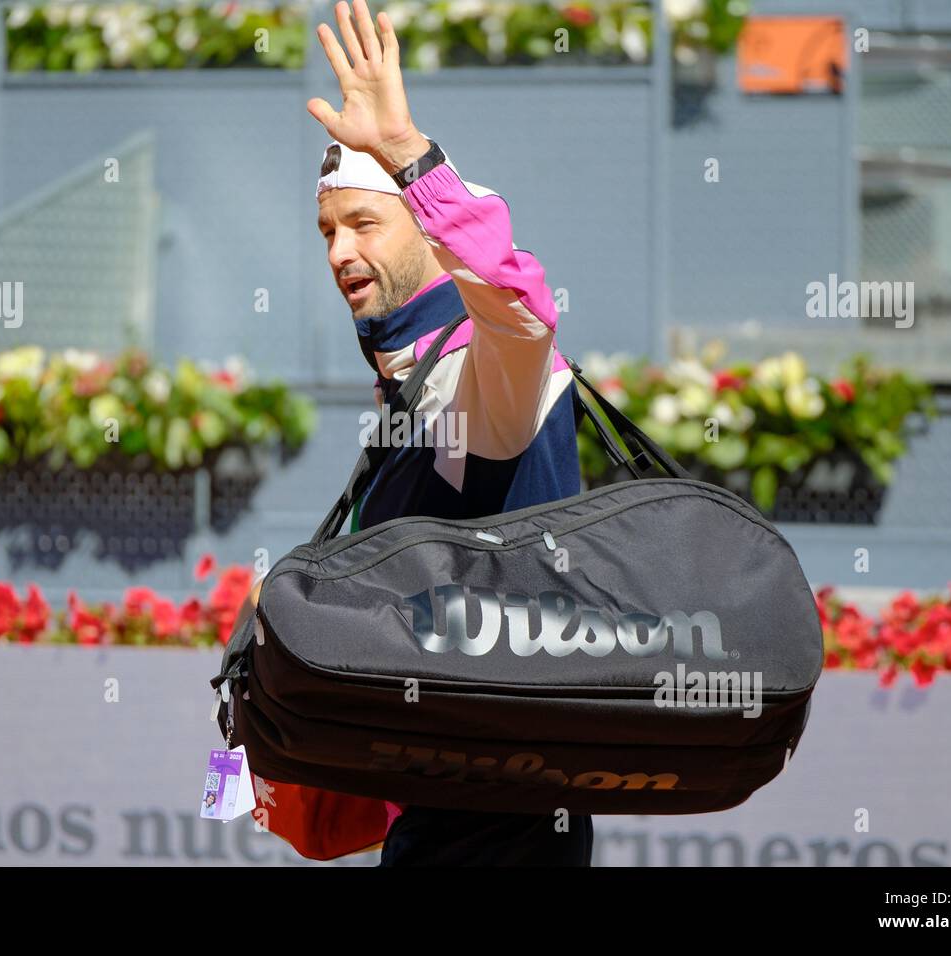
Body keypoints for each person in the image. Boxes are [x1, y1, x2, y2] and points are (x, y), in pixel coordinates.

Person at [303, 0, 593, 866]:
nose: (339, 253)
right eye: (327, 230)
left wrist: (408, 158)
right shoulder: (413, 385)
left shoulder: (484, 369)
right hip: (444, 811)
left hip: (503, 824)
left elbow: (521, 312)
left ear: (431, 236)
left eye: (364, 223)